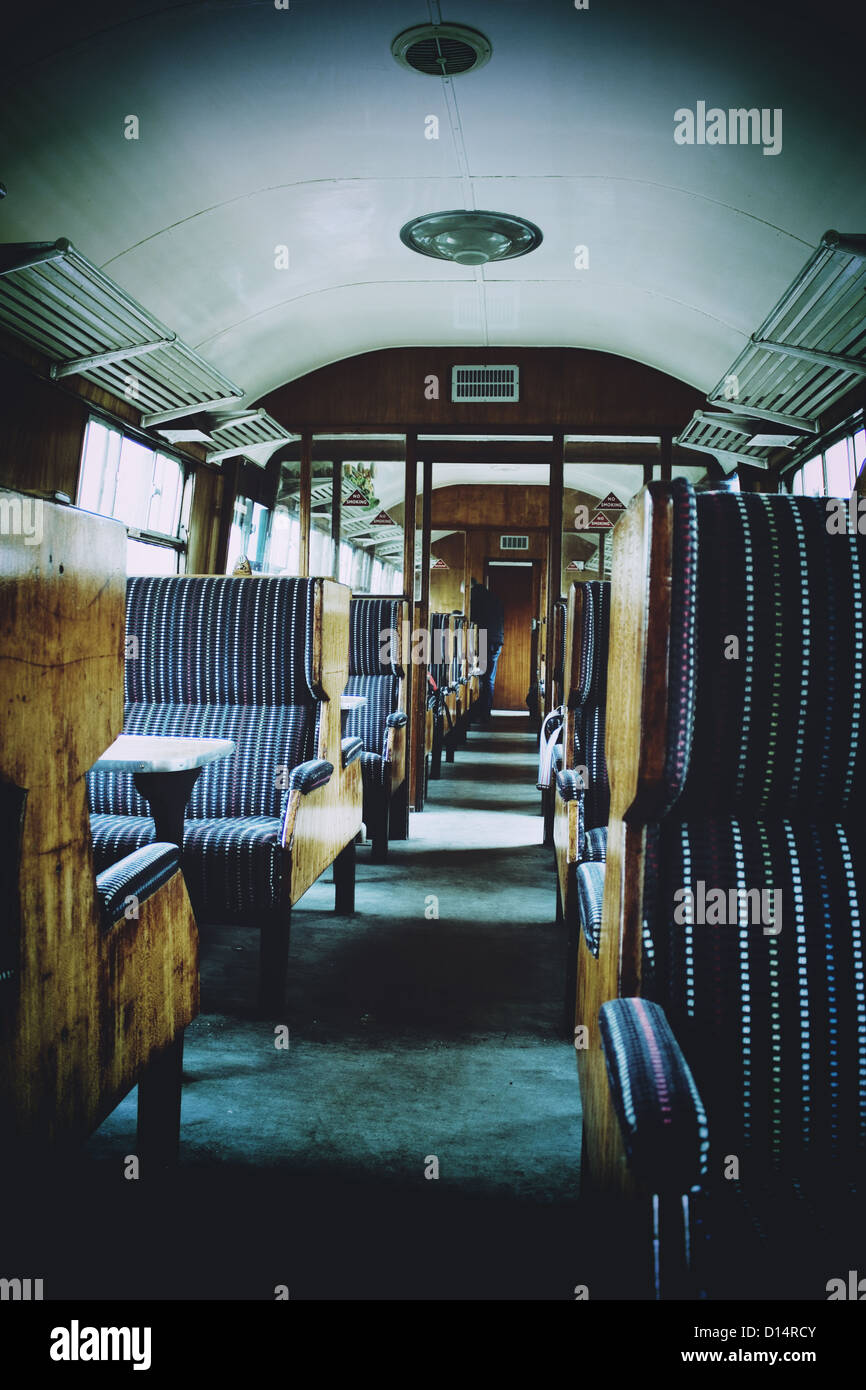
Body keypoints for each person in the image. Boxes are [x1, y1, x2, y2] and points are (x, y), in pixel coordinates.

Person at [470, 577, 505, 723]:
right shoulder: (493, 597)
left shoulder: (476, 598)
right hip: (496, 639)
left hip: (485, 638)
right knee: (489, 678)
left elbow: (473, 618)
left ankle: (481, 713)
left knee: (482, 677)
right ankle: (485, 712)